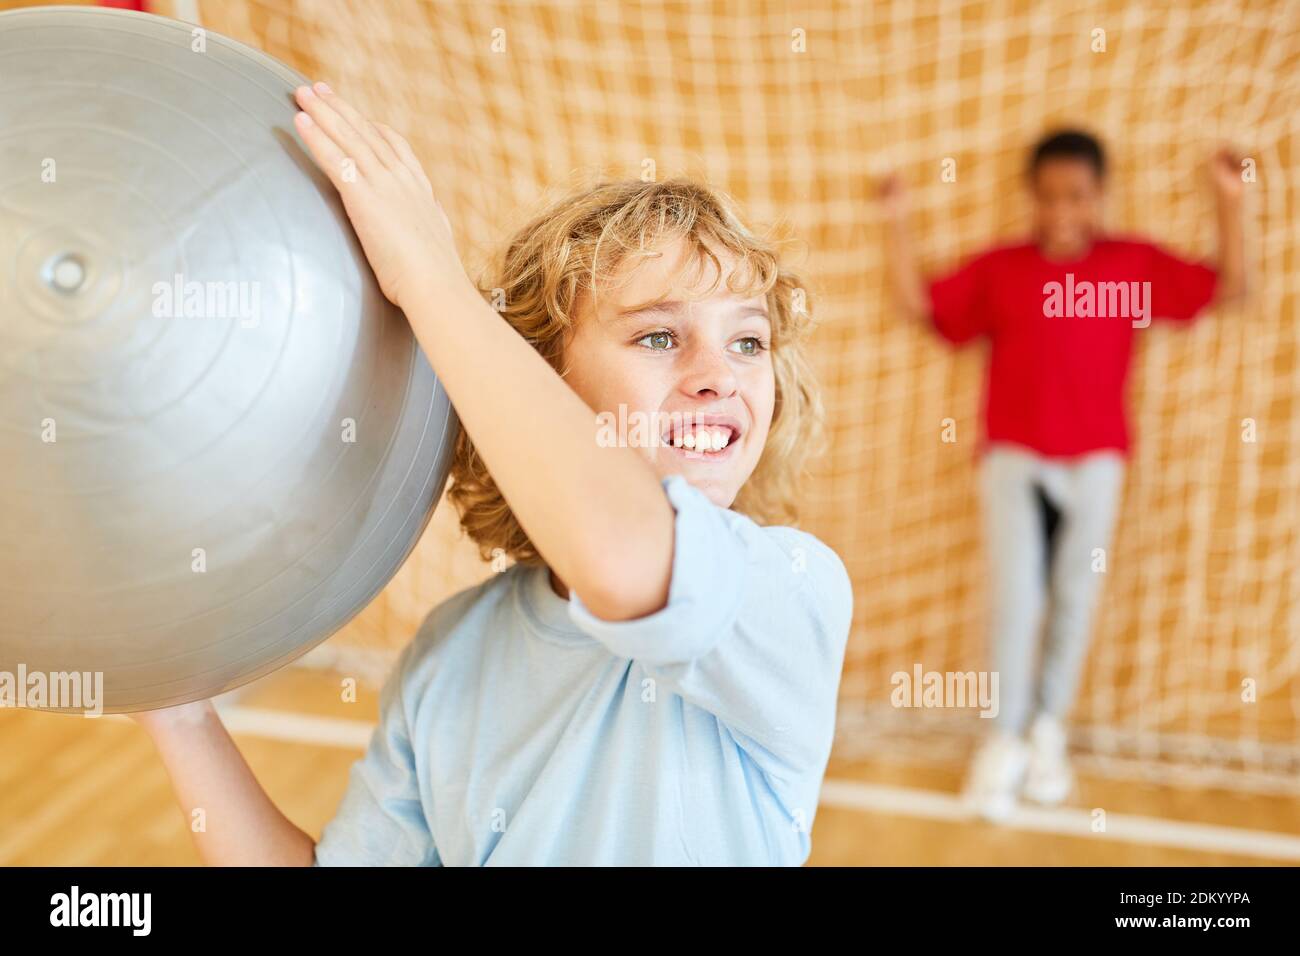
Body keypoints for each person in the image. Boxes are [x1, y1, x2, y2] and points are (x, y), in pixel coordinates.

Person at [129, 81, 853, 865]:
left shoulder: (793, 586)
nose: (720, 375)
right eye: (657, 337)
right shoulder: (454, 649)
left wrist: (429, 278)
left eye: (748, 342)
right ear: (541, 375)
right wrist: (177, 709)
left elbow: (621, 560)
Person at [880, 129, 1246, 821]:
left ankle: (1047, 733)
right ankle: (1003, 740)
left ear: (1100, 195)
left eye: (1077, 196)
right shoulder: (1002, 269)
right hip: (1014, 456)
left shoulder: (1130, 264)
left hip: (1096, 457)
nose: (1062, 212)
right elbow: (920, 306)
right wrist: (895, 219)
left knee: (1077, 595)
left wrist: (1230, 199)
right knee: (1015, 601)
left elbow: (1231, 287)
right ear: (1032, 198)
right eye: (1048, 197)